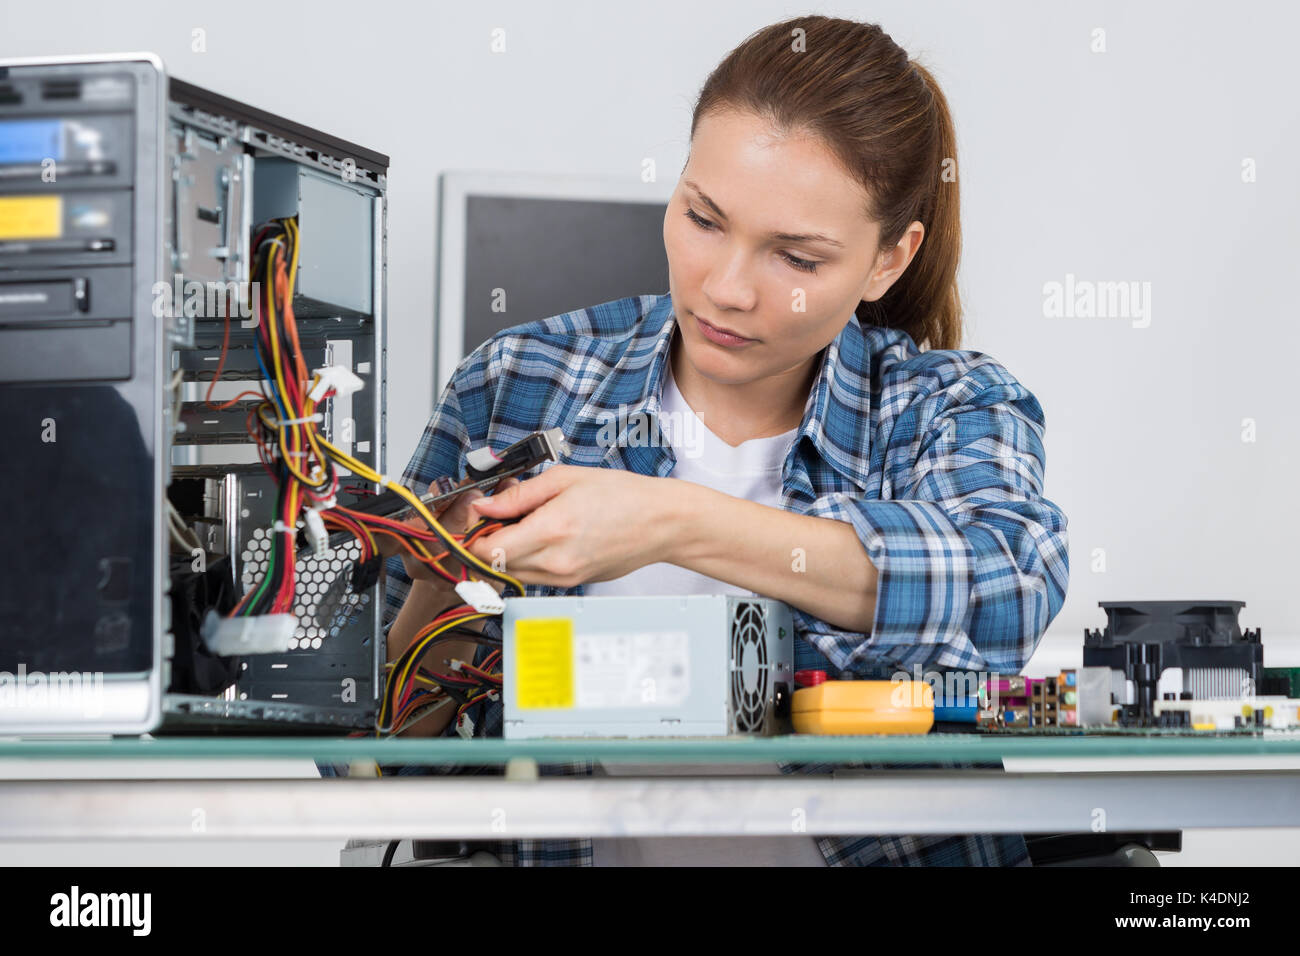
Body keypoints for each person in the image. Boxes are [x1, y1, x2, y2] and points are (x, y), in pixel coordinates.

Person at [370, 14, 1069, 866]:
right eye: (703, 219)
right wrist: (445, 583)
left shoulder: (943, 407)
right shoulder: (519, 382)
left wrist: (673, 522)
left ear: (888, 260)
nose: (726, 289)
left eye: (797, 259)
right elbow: (372, 745)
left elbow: (1009, 587)